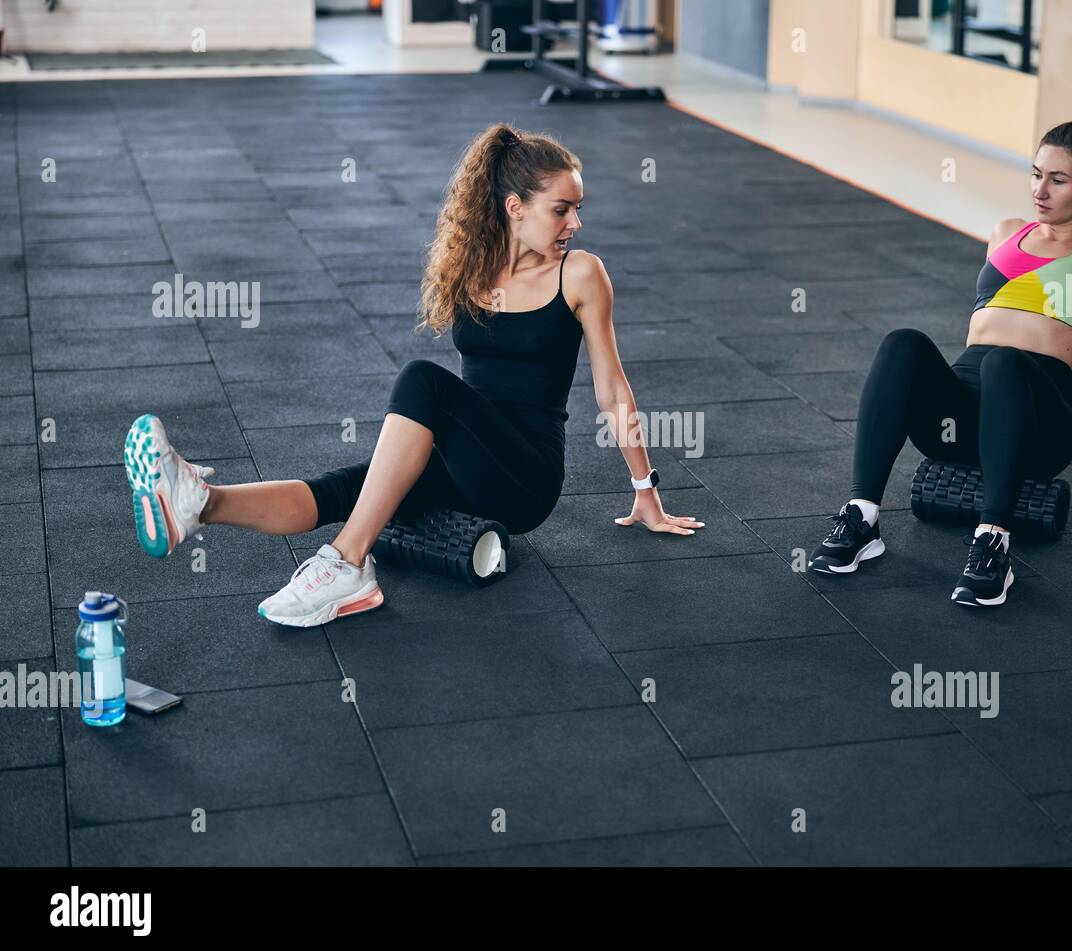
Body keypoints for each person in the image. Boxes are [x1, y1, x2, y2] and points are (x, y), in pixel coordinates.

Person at [123, 123, 703, 626]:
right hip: (464, 456)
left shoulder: (580, 274)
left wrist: (645, 490)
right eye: (562, 208)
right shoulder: (473, 265)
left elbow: (611, 388)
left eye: (578, 208)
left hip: (524, 476)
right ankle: (199, 503)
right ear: (514, 206)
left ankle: (348, 562)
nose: (575, 222)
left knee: (422, 381)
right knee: (345, 487)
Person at [809, 118, 1072, 607]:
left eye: (1058, 179)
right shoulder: (1006, 232)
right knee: (903, 342)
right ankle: (861, 516)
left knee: (1005, 364)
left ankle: (993, 541)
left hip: (1039, 427)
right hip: (958, 424)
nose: (1040, 189)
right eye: (1036, 174)